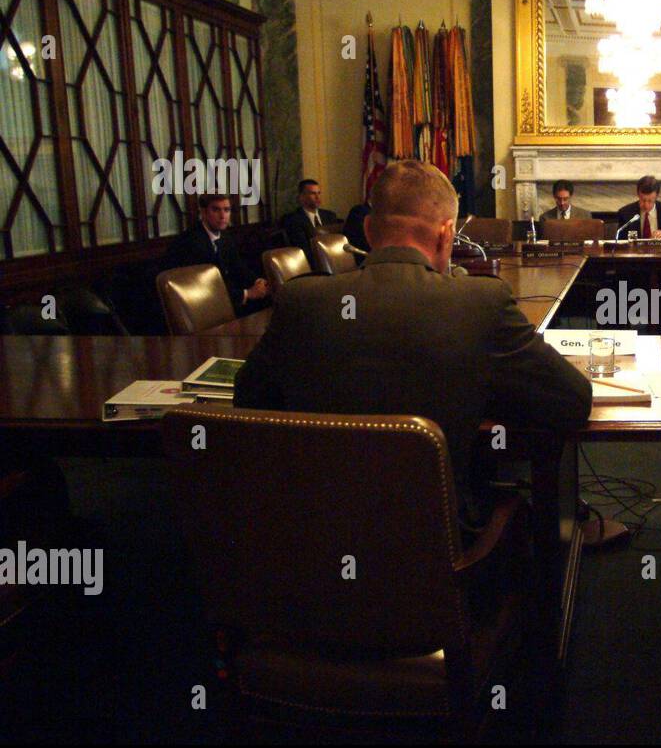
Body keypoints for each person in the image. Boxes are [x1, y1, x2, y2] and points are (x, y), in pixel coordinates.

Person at [234, 160, 593, 507]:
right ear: (447, 233)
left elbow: (249, 399)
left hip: (313, 534)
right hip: (442, 544)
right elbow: (573, 402)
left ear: (370, 231)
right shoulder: (482, 301)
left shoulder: (300, 300)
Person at [163, 192, 270, 312]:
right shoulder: (190, 243)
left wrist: (257, 281)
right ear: (203, 212)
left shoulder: (225, 236)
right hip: (202, 306)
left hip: (228, 297)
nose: (222, 216)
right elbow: (205, 288)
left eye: (226, 210)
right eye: (216, 210)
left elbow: (238, 266)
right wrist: (247, 293)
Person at [616, 175, 661, 239]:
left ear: (657, 196)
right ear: (638, 195)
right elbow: (620, 241)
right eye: (643, 200)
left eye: (650, 201)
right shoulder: (625, 213)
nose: (646, 205)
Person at [281, 179, 339, 256]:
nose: (317, 197)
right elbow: (301, 248)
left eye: (319, 193)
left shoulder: (330, 216)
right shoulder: (292, 219)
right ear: (302, 196)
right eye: (313, 193)